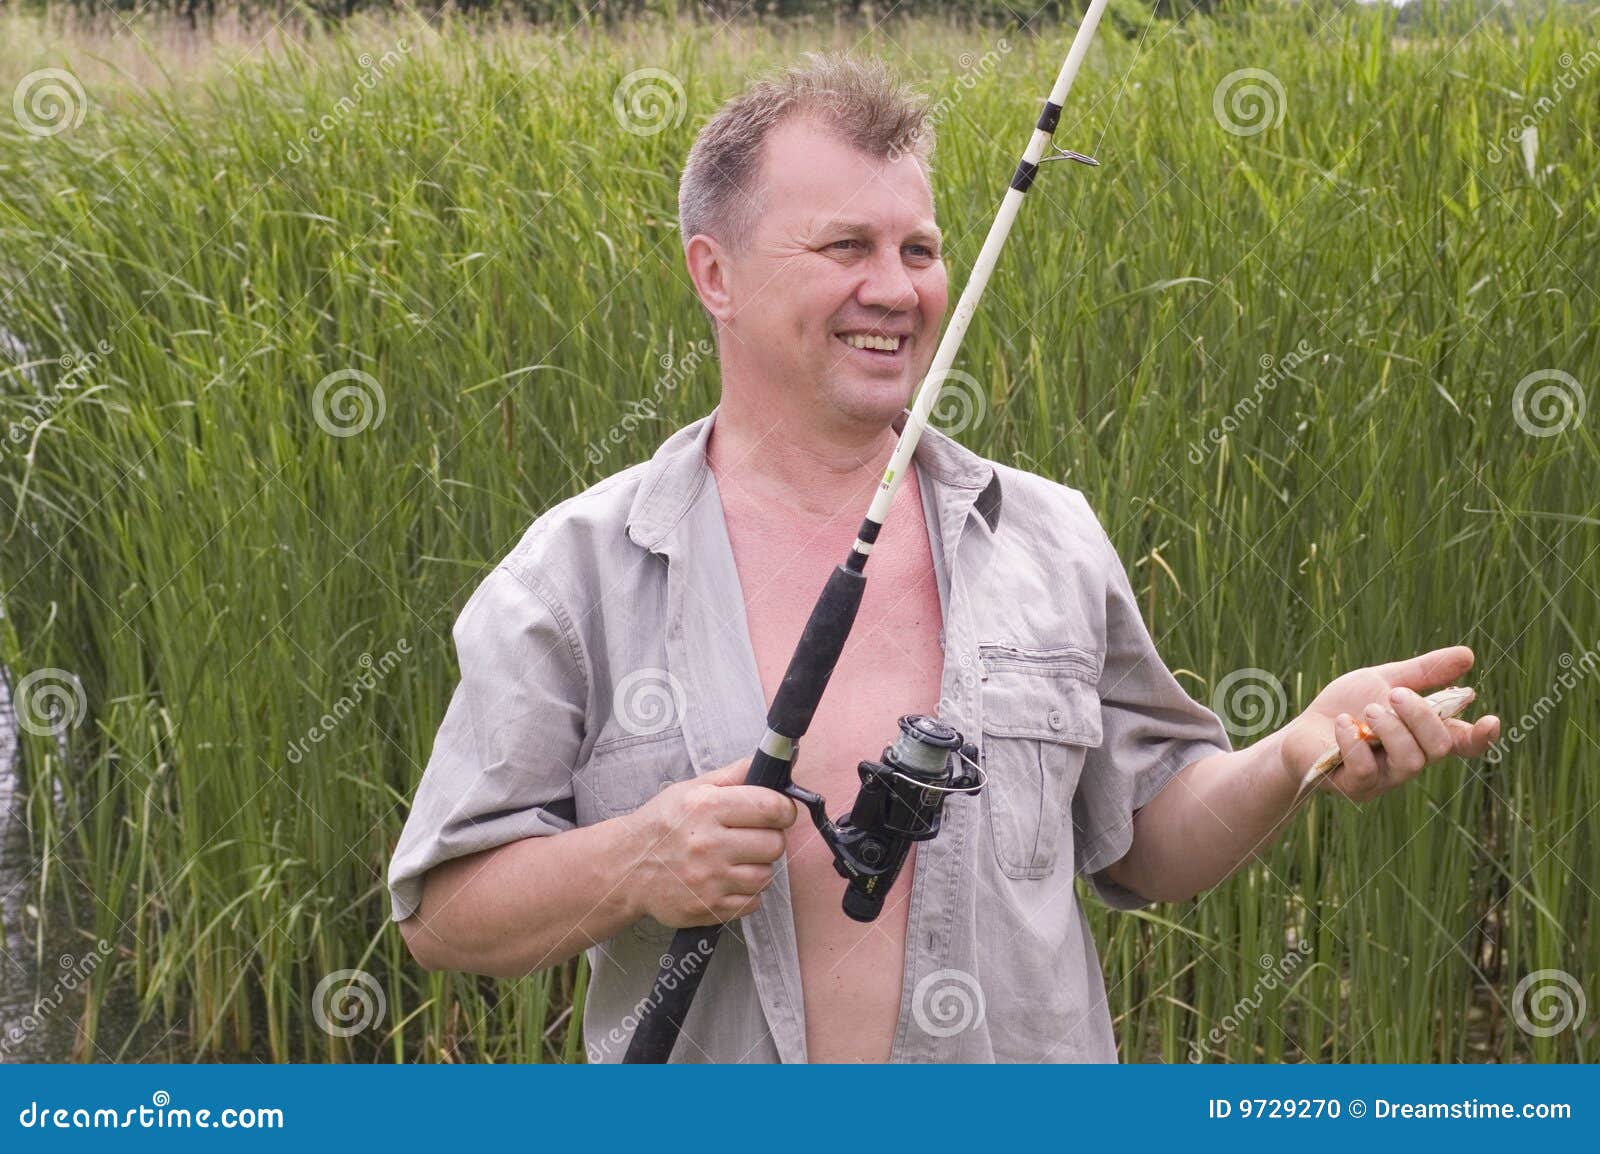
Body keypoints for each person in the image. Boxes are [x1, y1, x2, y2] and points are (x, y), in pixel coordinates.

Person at [387, 53, 1500, 1063]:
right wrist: (636, 859)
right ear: (714, 274)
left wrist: (1294, 750)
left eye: (918, 250)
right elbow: (443, 911)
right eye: (845, 247)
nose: (896, 288)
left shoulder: (1051, 536)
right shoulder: (574, 575)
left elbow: (1148, 846)